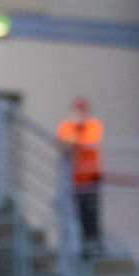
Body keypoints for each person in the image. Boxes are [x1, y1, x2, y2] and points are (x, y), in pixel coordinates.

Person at [56, 98, 104, 255]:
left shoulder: (93, 125)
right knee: (72, 217)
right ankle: (76, 250)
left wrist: (74, 138)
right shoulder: (65, 126)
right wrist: (73, 140)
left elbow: (88, 143)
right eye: (77, 110)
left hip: (90, 180)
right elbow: (64, 145)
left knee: (90, 217)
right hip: (72, 181)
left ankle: (92, 250)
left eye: (83, 110)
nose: (80, 114)